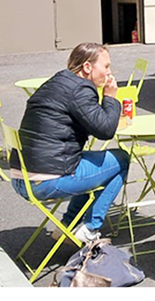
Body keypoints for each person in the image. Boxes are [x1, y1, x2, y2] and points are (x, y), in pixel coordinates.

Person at [9, 43, 130, 243]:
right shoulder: (80, 89)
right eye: (106, 66)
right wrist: (110, 98)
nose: (109, 72)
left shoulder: (58, 81)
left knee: (93, 164)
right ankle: (90, 228)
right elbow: (105, 130)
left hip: (21, 177)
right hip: (46, 181)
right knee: (121, 159)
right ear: (87, 67)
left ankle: (69, 224)